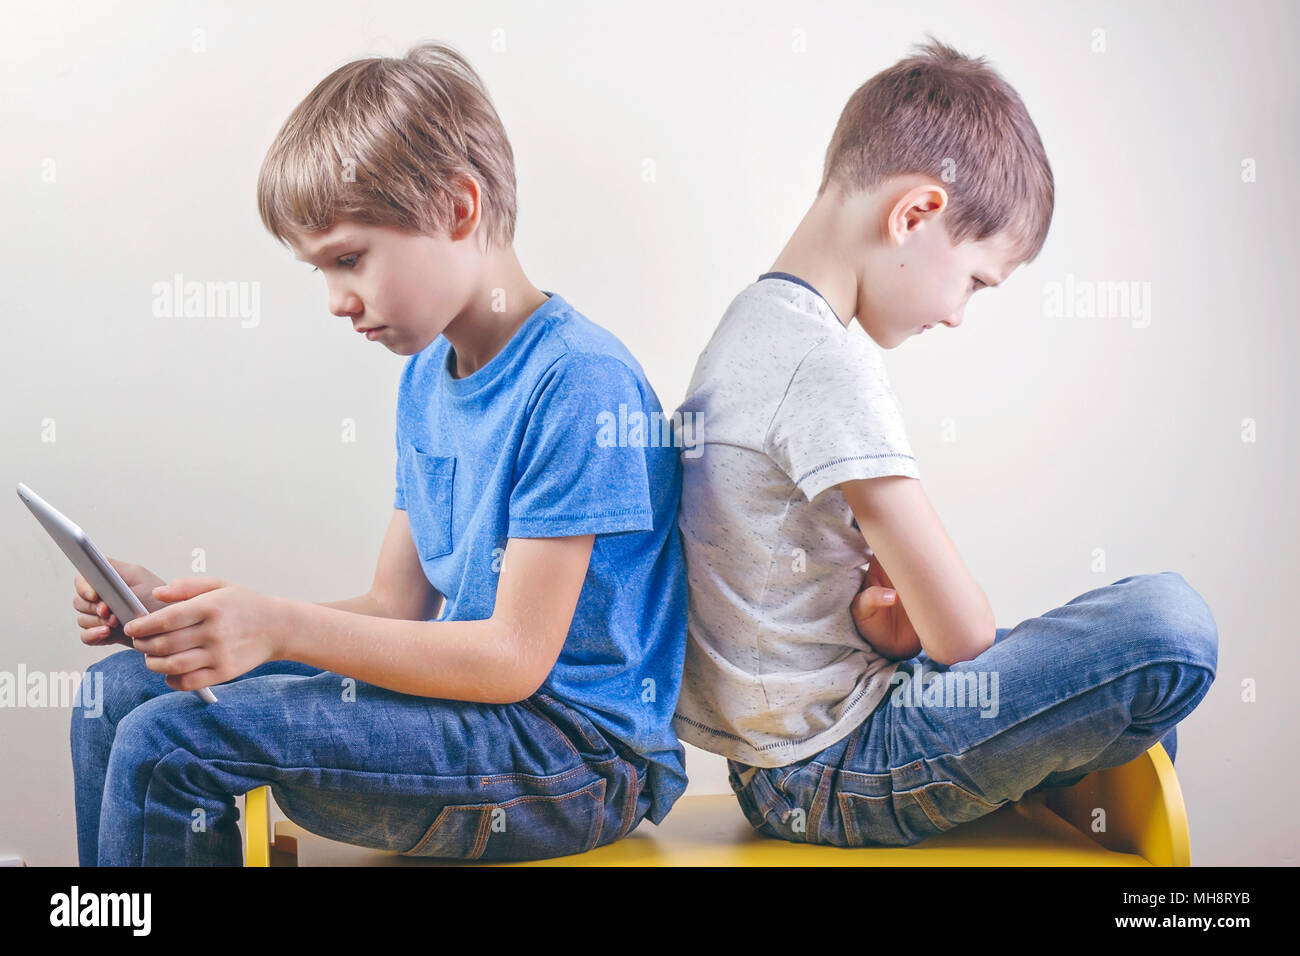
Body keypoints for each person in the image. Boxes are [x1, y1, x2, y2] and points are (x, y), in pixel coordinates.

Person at [69, 41, 688, 865]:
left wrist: (281, 629)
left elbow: (510, 658)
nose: (335, 301)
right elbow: (397, 610)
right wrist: (211, 622)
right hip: (478, 717)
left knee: (173, 744)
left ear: (459, 210)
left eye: (349, 258)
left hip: (573, 755)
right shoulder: (428, 377)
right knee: (112, 698)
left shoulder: (581, 383)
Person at [671, 36, 1217, 847]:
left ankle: (1075, 800)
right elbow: (960, 637)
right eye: (974, 280)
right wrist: (928, 630)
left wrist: (881, 621)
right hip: (829, 769)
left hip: (787, 758)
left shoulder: (748, 329)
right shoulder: (827, 361)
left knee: (1106, 683)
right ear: (916, 212)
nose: (959, 314)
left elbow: (827, 600)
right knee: (1168, 626)